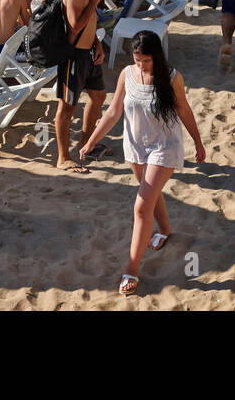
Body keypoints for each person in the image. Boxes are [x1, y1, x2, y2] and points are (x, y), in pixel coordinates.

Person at [80, 30, 206, 296]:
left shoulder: (172, 78)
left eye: (146, 61)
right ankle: (165, 229)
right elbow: (114, 111)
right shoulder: (127, 74)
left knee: (141, 206)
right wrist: (91, 140)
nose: (141, 65)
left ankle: (132, 268)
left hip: (164, 146)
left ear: (156, 57)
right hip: (135, 145)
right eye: (137, 60)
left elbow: (184, 109)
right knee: (150, 195)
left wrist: (197, 141)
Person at [55, 0, 107, 173]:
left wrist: (97, 43)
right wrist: (94, 2)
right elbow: (75, 26)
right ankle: (63, 157)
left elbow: (88, 24)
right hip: (73, 56)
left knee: (98, 96)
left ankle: (87, 143)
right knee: (67, 107)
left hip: (88, 53)